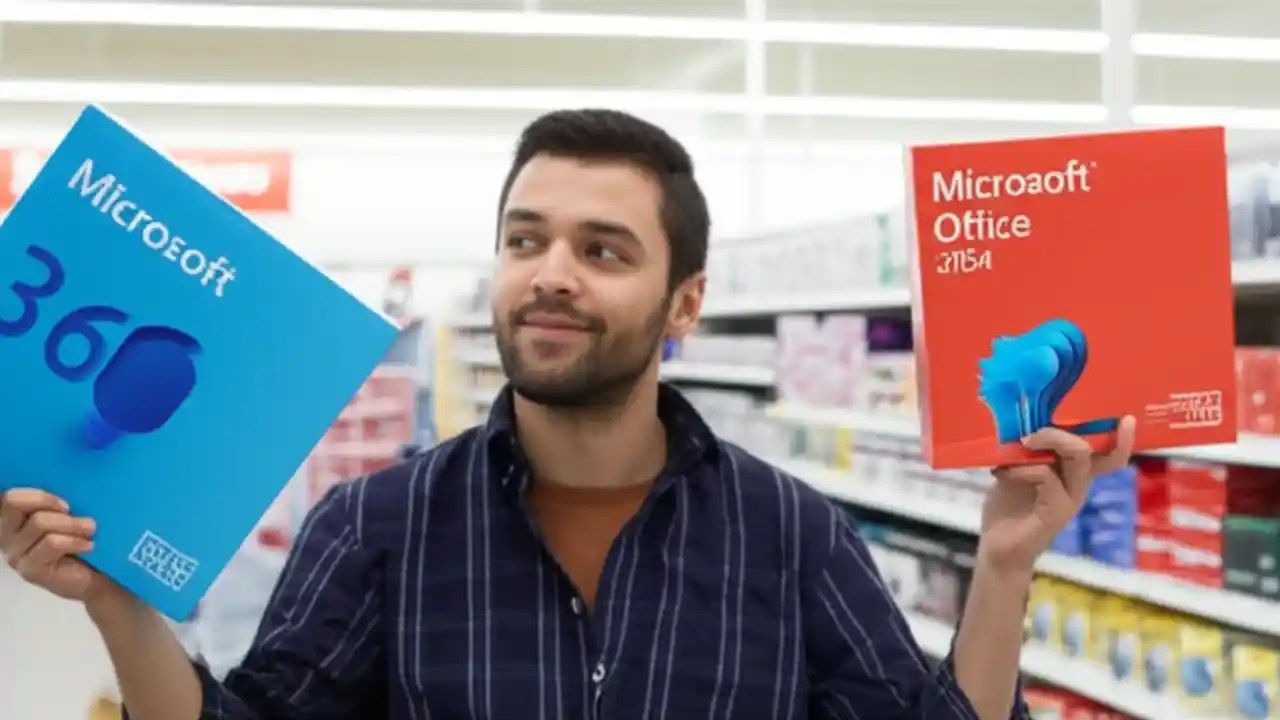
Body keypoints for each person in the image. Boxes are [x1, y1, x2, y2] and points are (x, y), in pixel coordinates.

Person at [0, 108, 1135, 720]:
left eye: (603, 250)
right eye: (525, 239)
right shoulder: (378, 526)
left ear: (684, 302)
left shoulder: (790, 535)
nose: (550, 273)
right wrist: (118, 603)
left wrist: (1002, 568)